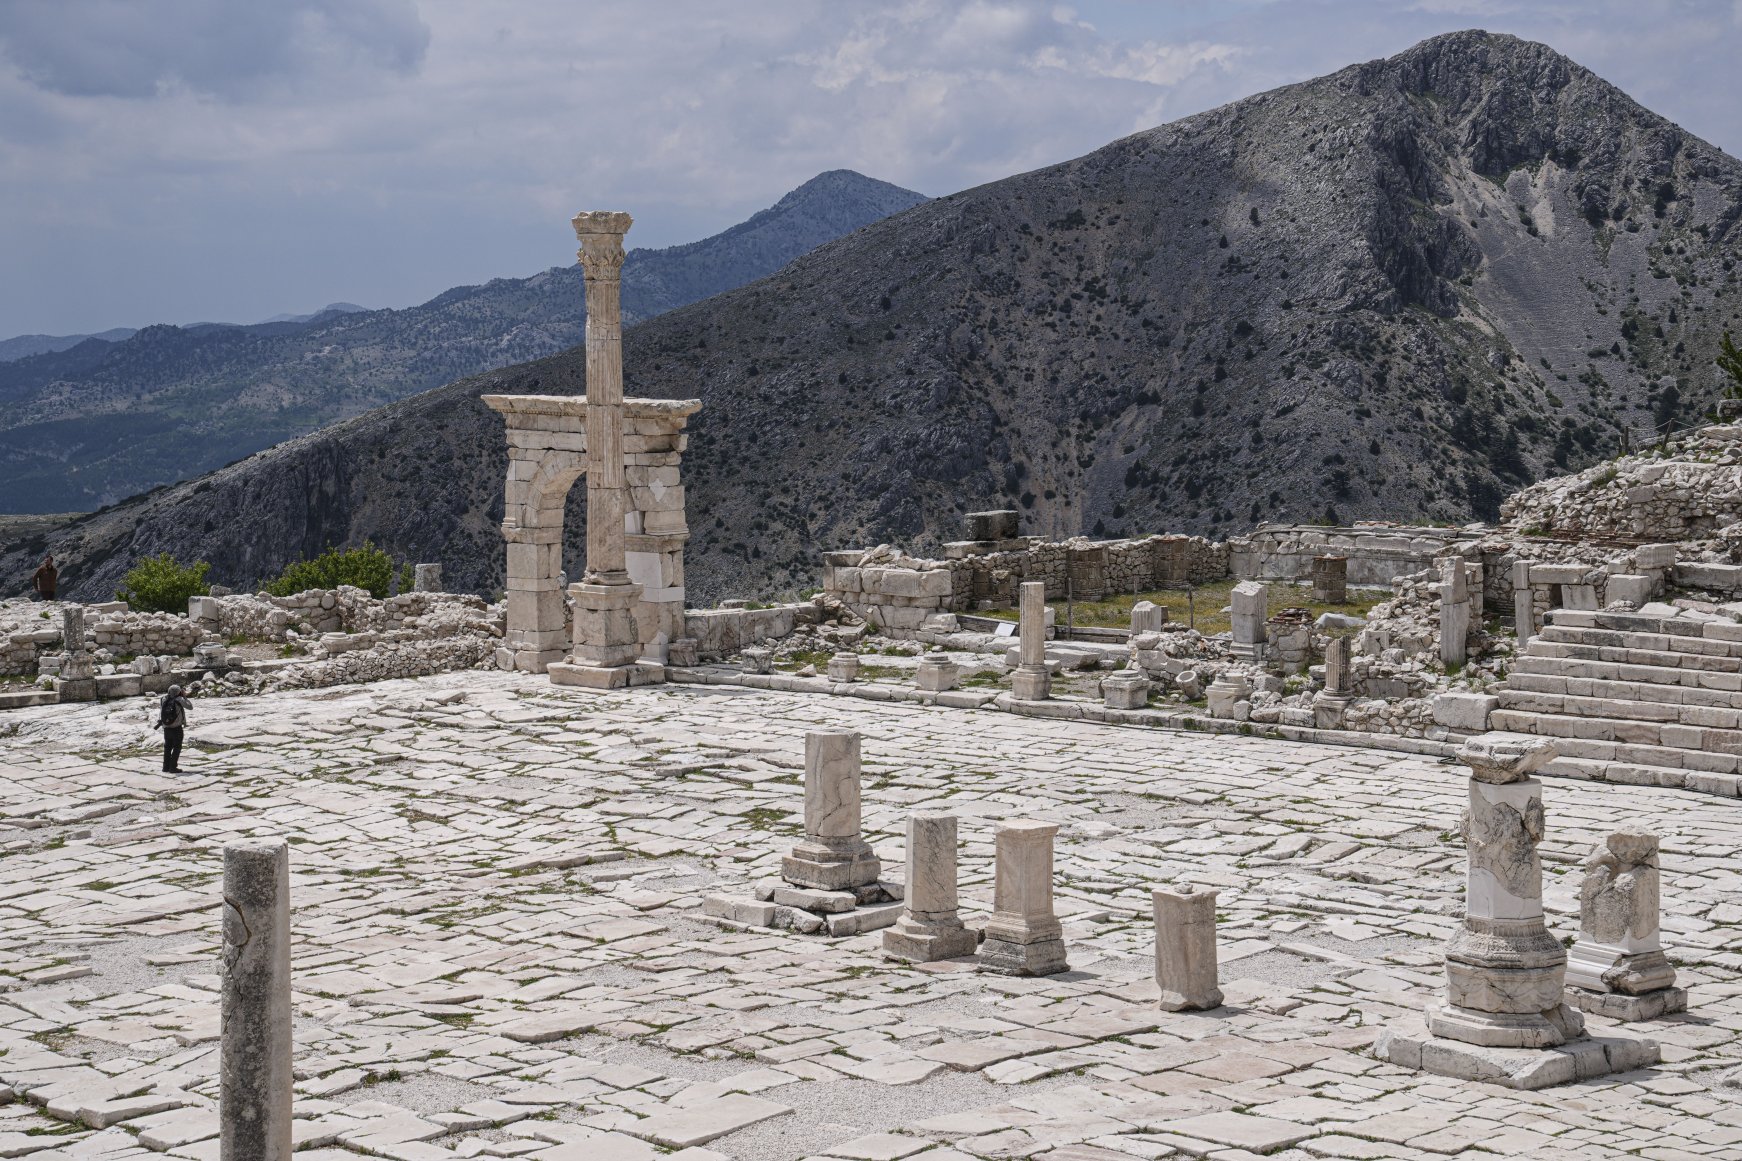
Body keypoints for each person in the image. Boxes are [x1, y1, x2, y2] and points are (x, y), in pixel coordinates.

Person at [154, 684, 192, 773]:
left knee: (167, 747)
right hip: (176, 728)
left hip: (166, 727)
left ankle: (165, 767)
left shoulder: (163, 699)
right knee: (177, 747)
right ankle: (173, 767)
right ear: (178, 692)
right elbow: (190, 707)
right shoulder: (179, 699)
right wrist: (185, 696)